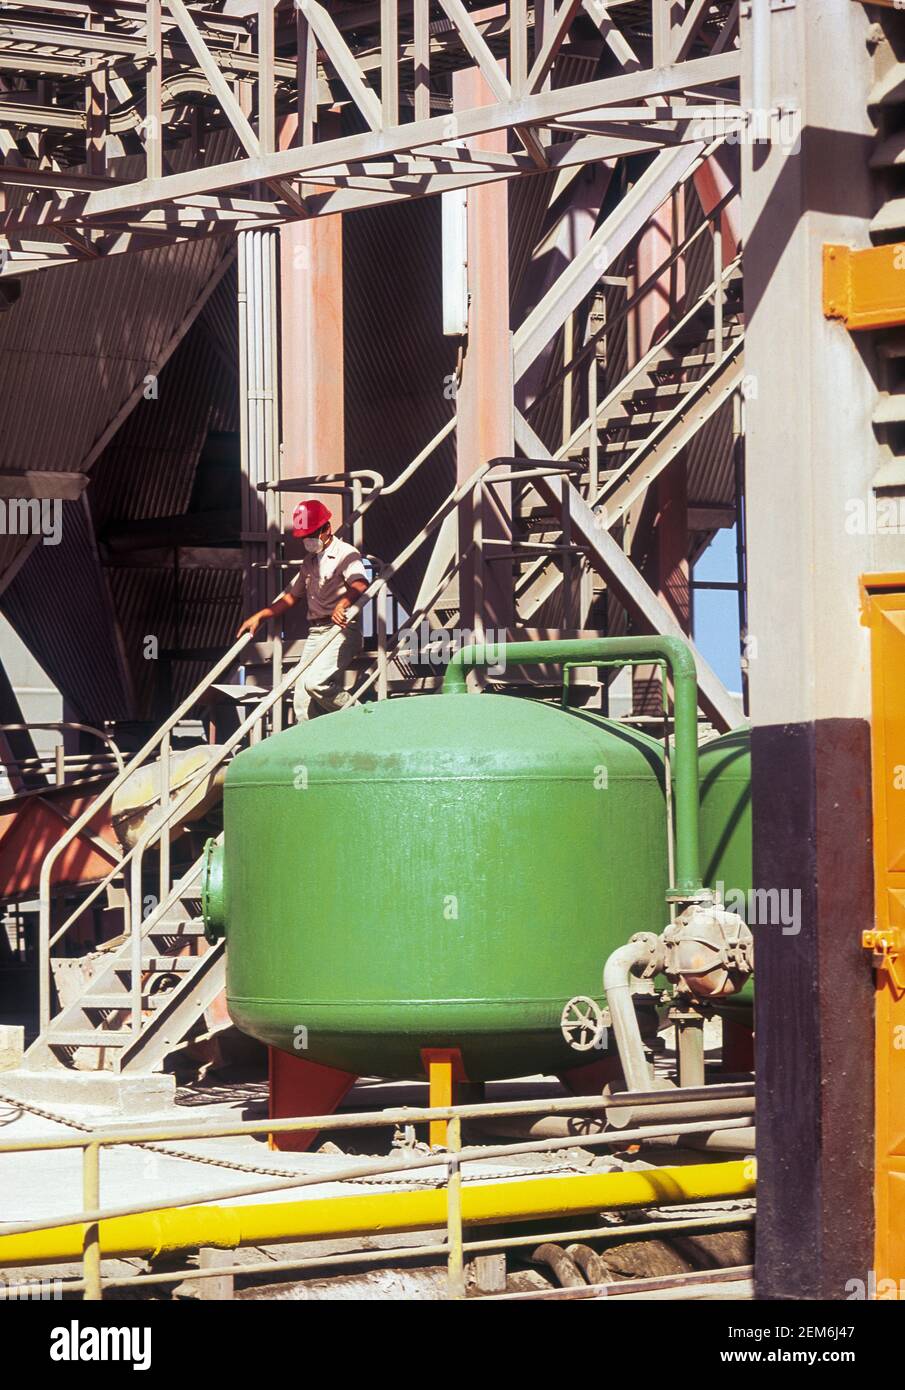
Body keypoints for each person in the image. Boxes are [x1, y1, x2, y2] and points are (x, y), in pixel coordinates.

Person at [236, 500, 369, 722]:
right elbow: (290, 597)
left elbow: (360, 583)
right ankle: (311, 746)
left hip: (340, 631)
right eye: (304, 536)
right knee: (301, 697)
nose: (308, 540)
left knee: (316, 683)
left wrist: (342, 604)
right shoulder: (309, 562)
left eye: (312, 534)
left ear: (327, 528)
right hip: (316, 634)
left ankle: (363, 718)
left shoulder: (346, 553)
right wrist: (260, 616)